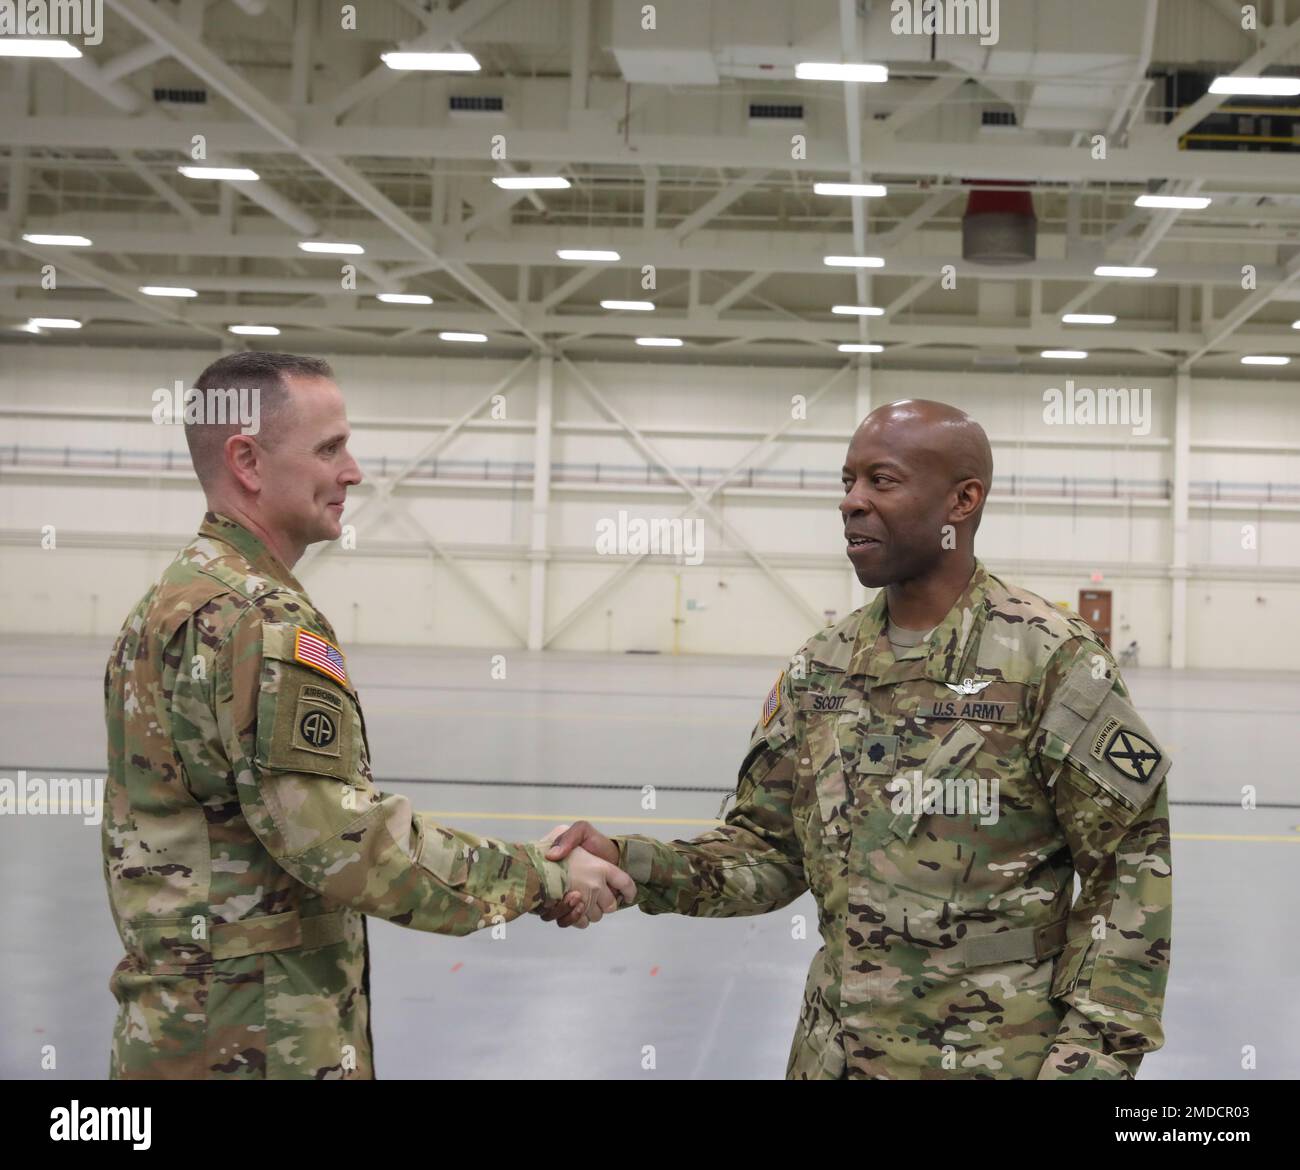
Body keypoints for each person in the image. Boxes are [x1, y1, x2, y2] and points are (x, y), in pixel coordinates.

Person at [544, 399, 1172, 1080]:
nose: (852, 503)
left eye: (882, 480)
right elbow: (766, 853)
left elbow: (1130, 877)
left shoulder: (1050, 661)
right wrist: (627, 862)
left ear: (962, 501)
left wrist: (1090, 1064)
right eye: (848, 481)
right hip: (833, 1058)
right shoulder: (823, 667)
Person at [102, 351, 632, 1080]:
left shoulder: (169, 602)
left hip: (179, 1027)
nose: (353, 471)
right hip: (254, 1041)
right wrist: (543, 877)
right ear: (248, 461)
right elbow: (347, 847)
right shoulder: (264, 619)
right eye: (330, 448)